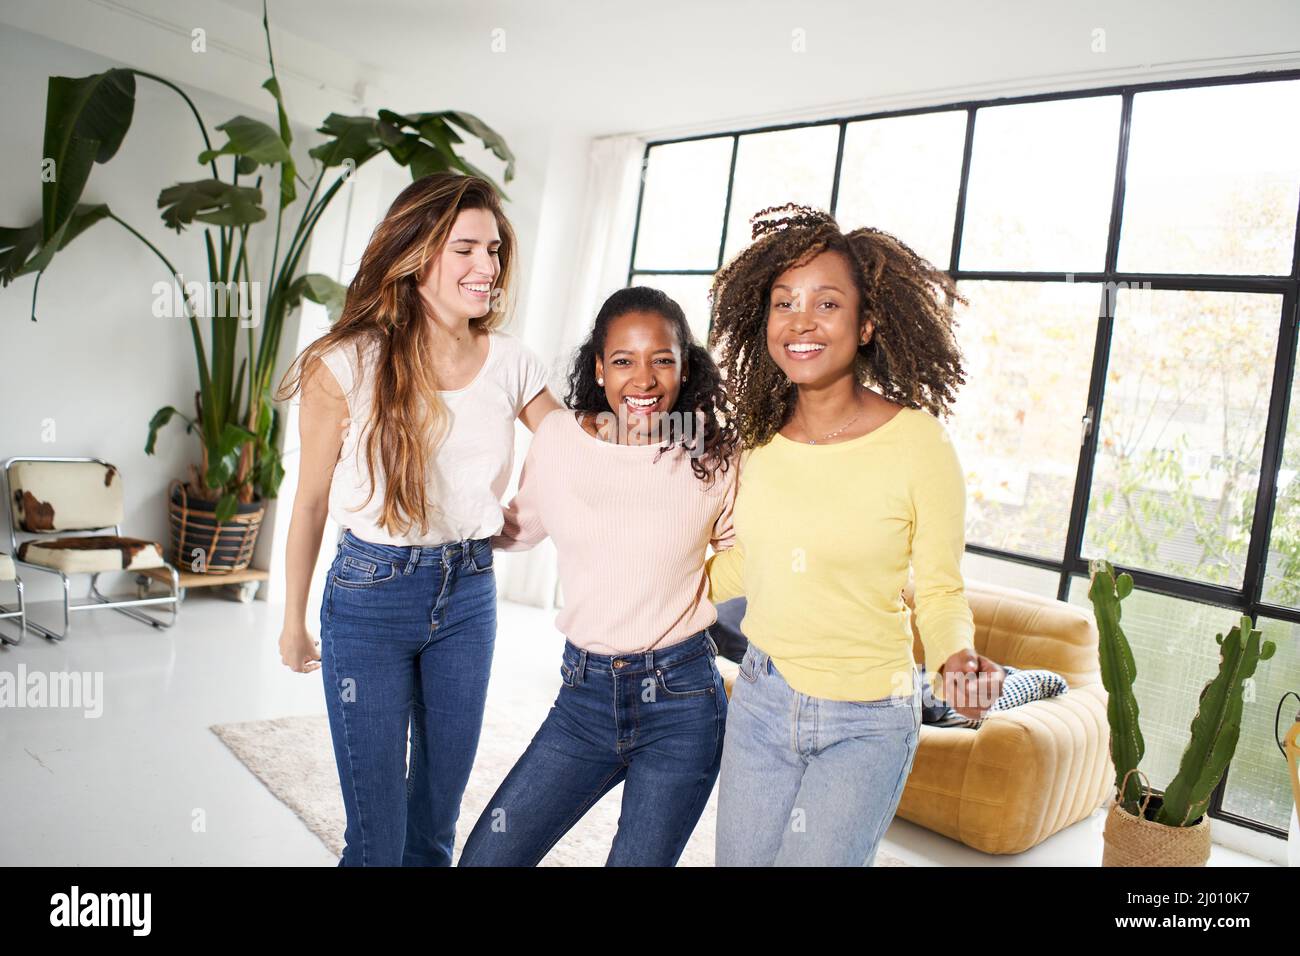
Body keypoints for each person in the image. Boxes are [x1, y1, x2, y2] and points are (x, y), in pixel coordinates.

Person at [705, 202, 1005, 866]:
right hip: (760, 696)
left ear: (867, 325)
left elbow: (940, 587)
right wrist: (649, 587)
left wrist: (956, 658)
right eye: (785, 303)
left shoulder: (917, 442)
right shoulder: (757, 438)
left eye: (827, 304)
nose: (801, 321)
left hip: (866, 721)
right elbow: (747, 563)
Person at [275, 173, 560, 866]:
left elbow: (571, 447)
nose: (486, 268)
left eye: (493, 250)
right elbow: (309, 500)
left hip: (468, 595)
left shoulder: (513, 362)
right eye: (465, 249)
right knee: (377, 841)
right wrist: (292, 619)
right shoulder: (345, 363)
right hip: (370, 596)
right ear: (415, 253)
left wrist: (537, 510)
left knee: (433, 829)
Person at [458, 286, 739, 866]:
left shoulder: (713, 453)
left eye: (662, 359)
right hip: (584, 698)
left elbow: (746, 557)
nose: (644, 379)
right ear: (598, 369)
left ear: (686, 366)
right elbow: (519, 527)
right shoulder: (562, 438)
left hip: (681, 700)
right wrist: (444, 514)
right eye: (623, 361)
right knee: (489, 857)